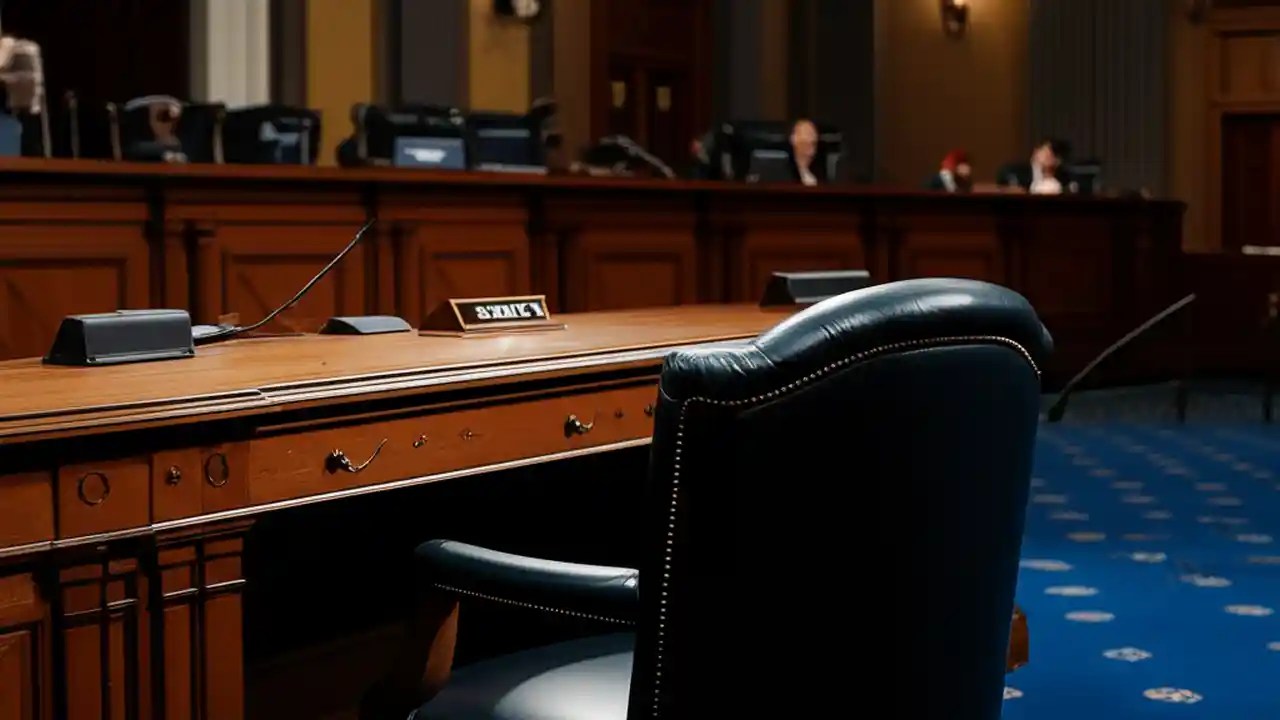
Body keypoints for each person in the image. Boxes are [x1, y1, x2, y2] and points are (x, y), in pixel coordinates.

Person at [997, 138, 1072, 195]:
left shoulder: (1065, 178)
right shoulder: (1014, 172)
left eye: (1054, 155)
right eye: (1046, 151)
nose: (1050, 156)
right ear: (1035, 152)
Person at [789, 118, 824, 186]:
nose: (813, 138)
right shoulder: (783, 172)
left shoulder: (821, 173)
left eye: (814, 133)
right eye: (808, 133)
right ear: (793, 138)